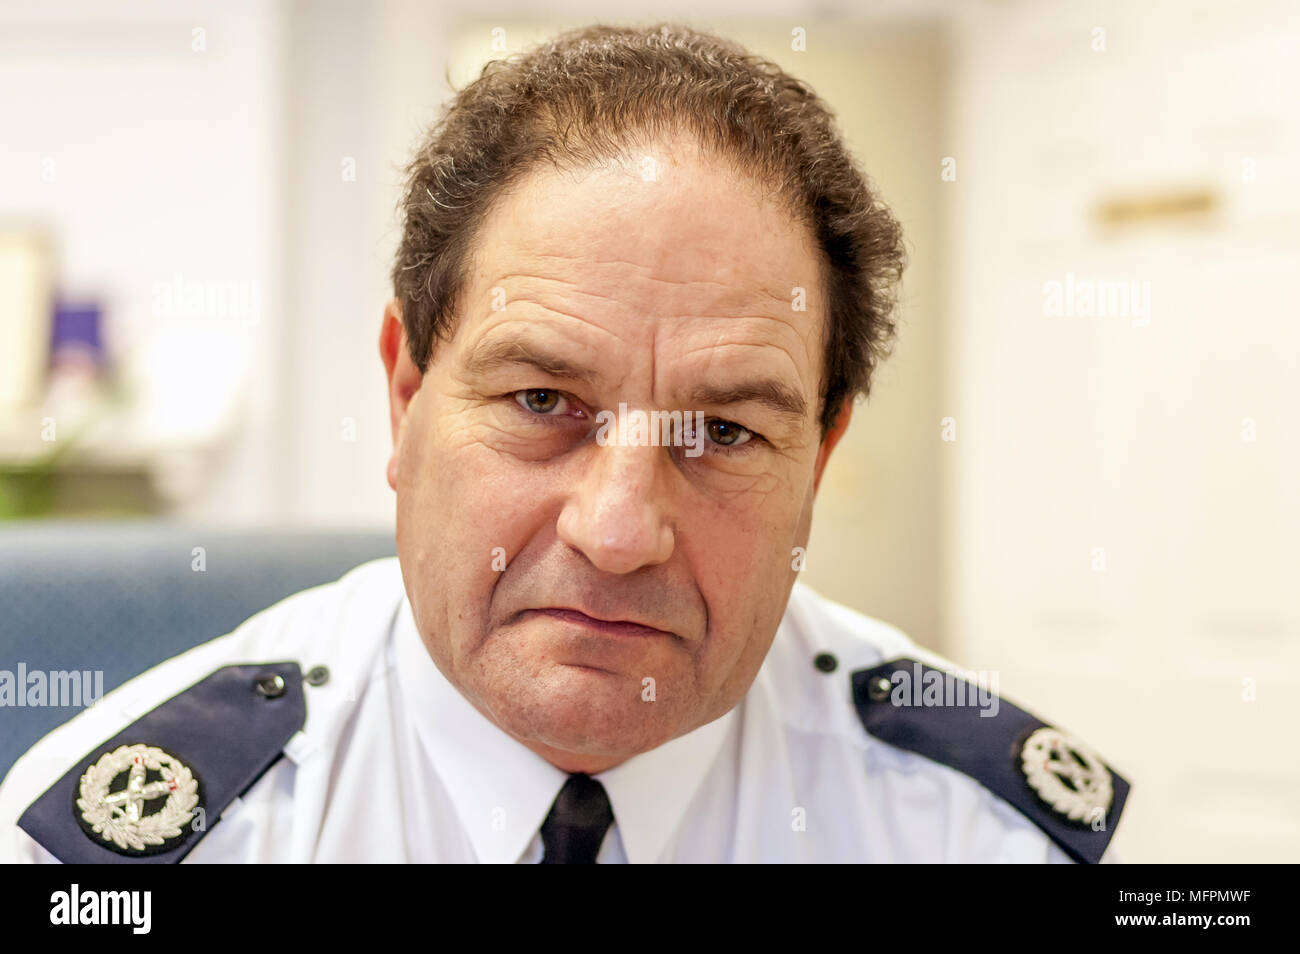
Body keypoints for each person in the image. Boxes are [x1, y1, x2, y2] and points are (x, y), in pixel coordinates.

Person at [0, 22, 1127, 863]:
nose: (620, 530)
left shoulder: (985, 833)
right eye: (543, 401)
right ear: (406, 395)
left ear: (817, 461)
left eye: (724, 430)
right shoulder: (138, 842)